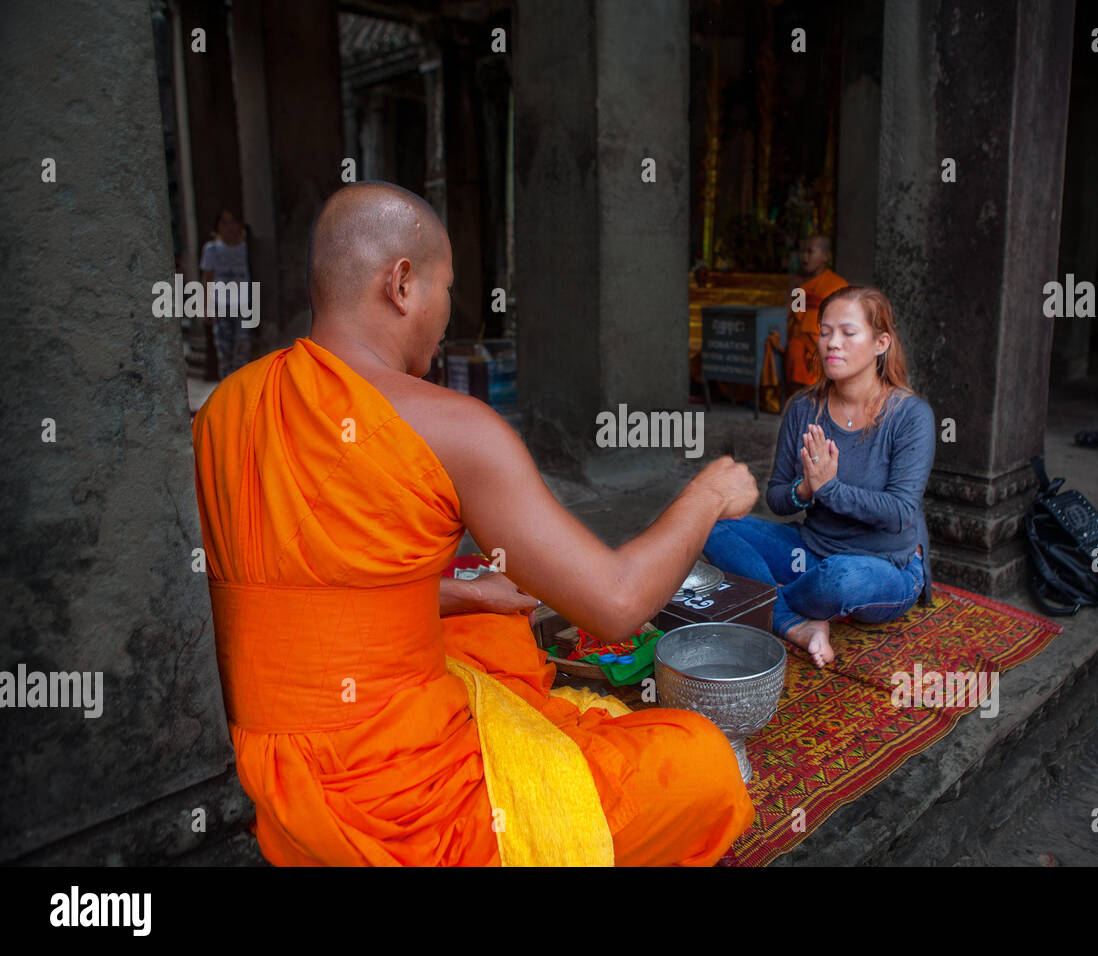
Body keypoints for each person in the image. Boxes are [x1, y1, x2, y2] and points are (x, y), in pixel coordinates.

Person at [191, 181, 758, 866]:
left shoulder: (226, 409)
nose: (446, 310)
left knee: (494, 626)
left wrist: (458, 593)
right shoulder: (454, 426)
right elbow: (616, 602)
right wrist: (705, 494)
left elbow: (298, 591)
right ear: (402, 285)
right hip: (389, 808)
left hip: (268, 769)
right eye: (447, 288)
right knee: (701, 767)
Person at [704, 286, 935, 668]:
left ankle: (768, 600)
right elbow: (778, 497)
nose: (832, 343)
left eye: (848, 332)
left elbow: (900, 514)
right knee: (709, 524)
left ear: (881, 342)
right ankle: (795, 622)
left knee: (842, 579)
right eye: (825, 332)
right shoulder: (803, 408)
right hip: (808, 553)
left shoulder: (910, 416)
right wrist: (806, 488)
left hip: (883, 566)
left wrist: (829, 488)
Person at [777, 235, 848, 399]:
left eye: (810, 252)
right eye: (802, 252)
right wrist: (794, 291)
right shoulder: (800, 284)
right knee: (794, 349)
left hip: (825, 340)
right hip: (800, 339)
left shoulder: (837, 284)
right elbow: (795, 313)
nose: (804, 257)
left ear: (825, 256)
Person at [199, 209, 253, 380]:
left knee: (243, 350)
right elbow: (207, 277)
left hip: (245, 304)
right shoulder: (212, 249)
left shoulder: (247, 248)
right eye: (224, 222)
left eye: (233, 222)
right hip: (221, 305)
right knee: (224, 352)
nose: (229, 227)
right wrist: (205, 305)